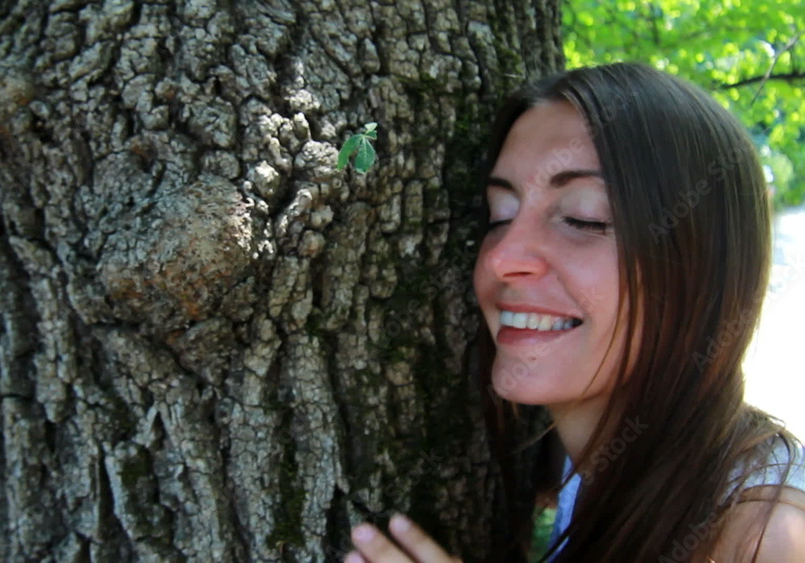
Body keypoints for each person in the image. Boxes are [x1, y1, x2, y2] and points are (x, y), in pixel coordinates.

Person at [343, 62, 805, 562]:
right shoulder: (583, 466)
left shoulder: (761, 536)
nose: (501, 257)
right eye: (500, 216)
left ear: (704, 263)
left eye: (584, 217)